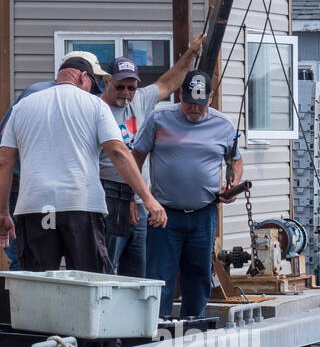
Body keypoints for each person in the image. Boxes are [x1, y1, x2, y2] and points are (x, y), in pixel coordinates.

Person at [0, 54, 165, 274]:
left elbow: (4, 161)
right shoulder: (95, 105)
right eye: (93, 83)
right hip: (80, 207)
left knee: (38, 281)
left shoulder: (24, 106)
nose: (94, 89)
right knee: (88, 281)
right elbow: (118, 152)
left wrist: (3, 212)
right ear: (82, 77)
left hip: (36, 207)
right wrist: (147, 198)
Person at [133, 70, 241, 319]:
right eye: (189, 102)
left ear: (211, 98)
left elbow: (235, 161)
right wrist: (135, 198)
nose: (194, 108)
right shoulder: (159, 118)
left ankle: (195, 325)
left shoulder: (223, 125)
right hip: (164, 213)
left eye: (200, 104)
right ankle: (156, 326)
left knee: (199, 273)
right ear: (180, 94)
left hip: (204, 212)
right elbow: (135, 159)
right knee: (160, 275)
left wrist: (231, 183)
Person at [100, 37, 204, 277]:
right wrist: (125, 198)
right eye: (120, 86)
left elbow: (168, 83)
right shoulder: (96, 109)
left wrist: (191, 52)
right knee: (107, 267)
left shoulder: (139, 101)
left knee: (138, 271)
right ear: (107, 82)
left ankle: (132, 314)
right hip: (109, 199)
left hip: (140, 201)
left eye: (131, 87)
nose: (126, 93)